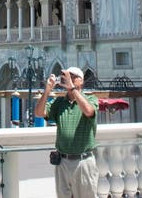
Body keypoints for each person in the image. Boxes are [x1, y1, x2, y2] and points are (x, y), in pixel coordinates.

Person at [35, 65, 98, 198]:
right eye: (66, 76)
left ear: (81, 81)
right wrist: (47, 90)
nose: (68, 78)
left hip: (83, 162)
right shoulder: (59, 102)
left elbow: (88, 111)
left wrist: (73, 89)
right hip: (62, 162)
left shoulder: (91, 99)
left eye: (73, 76)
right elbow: (39, 113)